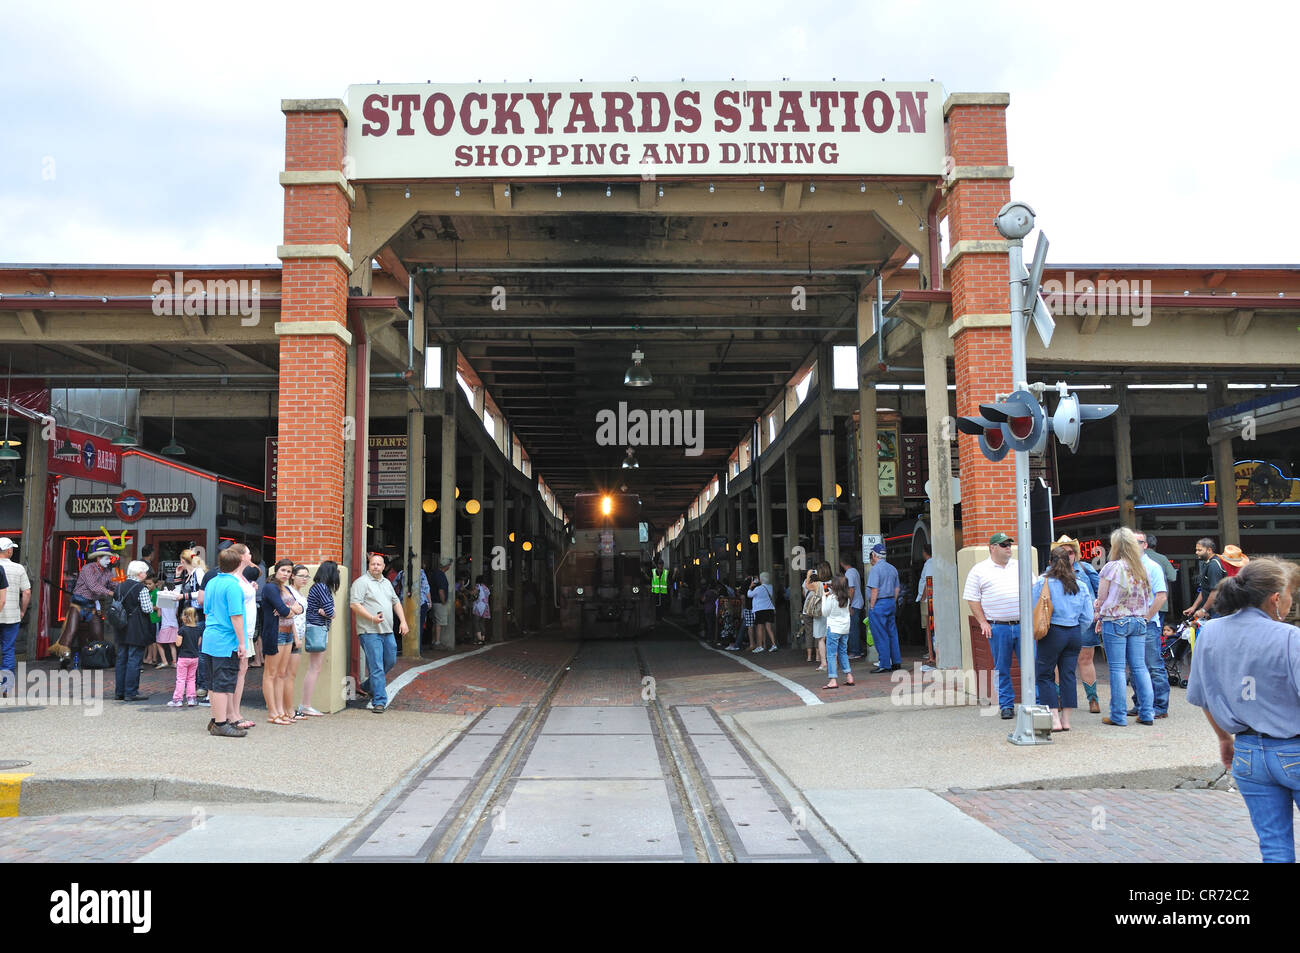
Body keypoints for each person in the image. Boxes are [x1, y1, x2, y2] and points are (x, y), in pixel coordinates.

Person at [1186, 558, 1300, 862]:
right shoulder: (1290, 637)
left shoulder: (1210, 632)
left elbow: (1203, 696)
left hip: (1248, 752)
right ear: (1276, 598)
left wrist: (1224, 738)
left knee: (1274, 846)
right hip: (1293, 747)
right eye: (1291, 594)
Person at [1094, 527, 1154, 727]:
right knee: (1140, 668)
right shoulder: (1142, 568)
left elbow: (1102, 597)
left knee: (1117, 669)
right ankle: (1147, 713)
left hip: (1116, 620)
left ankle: (1118, 715)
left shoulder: (1112, 567)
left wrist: (1098, 611)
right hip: (1139, 620)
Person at [1031, 546, 1093, 732]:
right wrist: (1076, 629)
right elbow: (1088, 616)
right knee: (1068, 675)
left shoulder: (1043, 582)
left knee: (1045, 674)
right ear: (1069, 562)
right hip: (1073, 632)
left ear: (1050, 562)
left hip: (1052, 632)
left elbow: (1034, 609)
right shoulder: (1080, 584)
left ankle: (1054, 719)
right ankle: (1066, 720)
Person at [963, 532, 1023, 720]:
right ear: (992, 548)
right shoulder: (979, 570)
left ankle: (1034, 700)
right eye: (1003, 544)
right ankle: (1006, 705)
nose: (1008, 548)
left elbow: (1035, 590)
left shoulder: (1020, 565)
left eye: (1009, 544)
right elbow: (972, 599)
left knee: (1030, 666)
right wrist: (982, 622)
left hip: (1022, 625)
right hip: (998, 626)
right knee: (1001, 667)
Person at [201, 544, 251, 737]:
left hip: (211, 637)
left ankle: (216, 719)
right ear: (239, 562)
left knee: (213, 684)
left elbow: (206, 610)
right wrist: (241, 643)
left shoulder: (213, 582)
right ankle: (221, 723)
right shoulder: (233, 586)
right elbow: (236, 616)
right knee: (223, 683)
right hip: (226, 639)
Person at [350, 553, 409, 713]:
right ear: (369, 565)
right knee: (376, 666)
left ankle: (367, 686)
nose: (375, 566)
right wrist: (371, 618)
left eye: (378, 564)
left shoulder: (387, 583)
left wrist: (403, 621)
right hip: (369, 631)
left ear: (384, 567)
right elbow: (355, 605)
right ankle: (379, 701)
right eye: (373, 564)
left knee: (390, 661)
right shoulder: (361, 583)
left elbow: (396, 602)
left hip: (387, 630)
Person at [1053, 535, 1101, 713]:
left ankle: (1093, 699)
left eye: (1071, 552)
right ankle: (1058, 698)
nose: (1068, 556)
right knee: (1058, 662)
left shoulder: (1085, 568)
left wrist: (1097, 612)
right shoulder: (1049, 571)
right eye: (1063, 552)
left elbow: (1100, 592)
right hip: (1058, 622)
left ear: (1076, 554)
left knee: (1085, 660)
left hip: (1084, 622)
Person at [55, 539, 117, 666]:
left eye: (109, 558)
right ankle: (64, 657)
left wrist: (122, 587)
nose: (108, 561)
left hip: (93, 606)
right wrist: (111, 593)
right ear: (98, 558)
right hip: (78, 604)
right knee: (71, 631)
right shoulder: (87, 569)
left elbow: (114, 584)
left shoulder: (108, 573)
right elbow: (93, 586)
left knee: (98, 634)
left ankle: (97, 658)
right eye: (106, 558)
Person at [260, 559, 302, 726]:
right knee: (270, 674)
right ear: (276, 570)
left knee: (281, 674)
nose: (286, 574)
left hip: (287, 634)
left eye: (289, 571)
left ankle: (281, 711)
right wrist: (291, 610)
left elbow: (299, 608)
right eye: (283, 570)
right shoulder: (270, 587)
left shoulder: (286, 588)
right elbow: (284, 610)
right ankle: (272, 713)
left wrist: (289, 611)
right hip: (274, 633)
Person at [1135, 530, 1171, 719]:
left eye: (1139, 542)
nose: (1135, 545)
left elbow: (1161, 596)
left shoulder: (1153, 567)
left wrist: (1147, 618)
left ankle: (1160, 705)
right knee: (1135, 665)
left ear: (1145, 545)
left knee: (1154, 665)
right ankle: (1140, 702)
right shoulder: (1125, 567)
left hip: (1148, 622)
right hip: (1132, 621)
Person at [298, 560, 339, 717]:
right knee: (314, 668)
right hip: (317, 628)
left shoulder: (319, 587)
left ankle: (305, 704)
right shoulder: (322, 587)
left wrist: (327, 611)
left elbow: (328, 611)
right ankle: (305, 705)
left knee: (315, 667)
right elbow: (331, 612)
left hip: (316, 628)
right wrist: (326, 612)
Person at [111, 560, 156, 702]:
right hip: (137, 628)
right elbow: (147, 609)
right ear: (139, 573)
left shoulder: (119, 587)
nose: (146, 574)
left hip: (121, 627)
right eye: (144, 572)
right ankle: (131, 692)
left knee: (121, 659)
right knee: (134, 659)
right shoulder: (141, 589)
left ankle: (120, 692)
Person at [866, 543, 902, 673]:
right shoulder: (892, 568)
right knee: (892, 633)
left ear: (875, 555)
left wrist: (872, 606)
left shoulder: (875, 569)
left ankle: (885, 664)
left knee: (880, 635)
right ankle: (896, 662)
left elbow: (874, 589)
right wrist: (893, 600)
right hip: (891, 602)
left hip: (879, 604)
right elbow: (897, 588)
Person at [0, 537, 32, 679]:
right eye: (11, 548)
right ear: (8, 550)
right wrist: (22, 610)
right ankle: (5, 686)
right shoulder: (18, 568)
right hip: (12, 616)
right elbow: (26, 592)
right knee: (8, 650)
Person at [282, 565, 310, 719]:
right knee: (288, 675)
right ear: (293, 576)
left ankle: (287, 708)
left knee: (289, 675)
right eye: (301, 575)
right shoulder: (289, 592)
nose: (304, 579)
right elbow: (290, 616)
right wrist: (296, 637)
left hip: (298, 635)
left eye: (307, 576)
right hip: (292, 637)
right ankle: (289, 710)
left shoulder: (298, 593)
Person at [821, 574, 855, 690]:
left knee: (831, 654)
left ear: (834, 586)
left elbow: (825, 613)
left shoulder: (831, 598)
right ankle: (849, 676)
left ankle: (833, 679)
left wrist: (824, 597)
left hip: (833, 629)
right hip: (845, 629)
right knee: (843, 652)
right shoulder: (847, 598)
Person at [1184, 538, 1227, 620]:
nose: (1196, 552)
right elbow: (1204, 588)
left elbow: (1215, 591)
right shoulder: (1206, 563)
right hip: (1213, 610)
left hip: (1219, 610)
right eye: (1196, 550)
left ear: (1209, 550)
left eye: (1200, 550)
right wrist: (1194, 607)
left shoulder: (1214, 565)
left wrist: (1203, 610)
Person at [169, 607, 203, 707]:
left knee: (181, 679)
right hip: (194, 657)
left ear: (184, 617)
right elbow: (198, 643)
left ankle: (177, 699)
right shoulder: (198, 629)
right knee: (191, 679)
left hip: (183, 657)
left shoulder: (182, 630)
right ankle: (191, 698)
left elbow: (178, 644)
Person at [803, 561, 832, 671]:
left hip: (821, 613)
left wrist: (809, 574)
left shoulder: (818, 584)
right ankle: (835, 660)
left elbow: (807, 585)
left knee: (821, 639)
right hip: (832, 612)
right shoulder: (834, 582)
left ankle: (824, 663)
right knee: (833, 638)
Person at [840, 555, 866, 659]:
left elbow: (851, 589)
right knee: (856, 628)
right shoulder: (855, 571)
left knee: (852, 629)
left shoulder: (849, 573)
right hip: (858, 602)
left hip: (854, 604)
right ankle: (859, 649)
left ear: (842, 563)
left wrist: (849, 604)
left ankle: (855, 651)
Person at [748, 572, 778, 652]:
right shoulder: (770, 587)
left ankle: (760, 646)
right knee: (769, 628)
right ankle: (774, 644)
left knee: (759, 628)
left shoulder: (758, 588)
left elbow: (749, 594)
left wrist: (751, 586)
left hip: (760, 610)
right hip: (769, 609)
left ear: (761, 580)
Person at [915, 546, 935, 665]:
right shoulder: (932, 563)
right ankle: (931, 651)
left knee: (929, 626)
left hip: (928, 600)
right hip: (929, 599)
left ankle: (932, 652)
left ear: (924, 552)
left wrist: (923, 597)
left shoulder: (929, 563)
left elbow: (929, 581)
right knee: (929, 626)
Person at [431, 556, 452, 647]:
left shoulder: (435, 573)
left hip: (434, 601)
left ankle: (433, 640)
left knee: (435, 621)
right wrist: (443, 601)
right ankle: (437, 641)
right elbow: (441, 590)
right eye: (449, 565)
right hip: (439, 602)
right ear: (446, 566)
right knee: (439, 622)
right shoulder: (441, 575)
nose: (449, 567)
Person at [471, 573, 491, 645]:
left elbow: (473, 593)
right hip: (486, 607)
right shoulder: (486, 588)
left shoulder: (478, 586)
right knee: (482, 623)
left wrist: (468, 591)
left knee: (476, 622)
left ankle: (479, 639)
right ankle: (483, 638)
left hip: (479, 606)